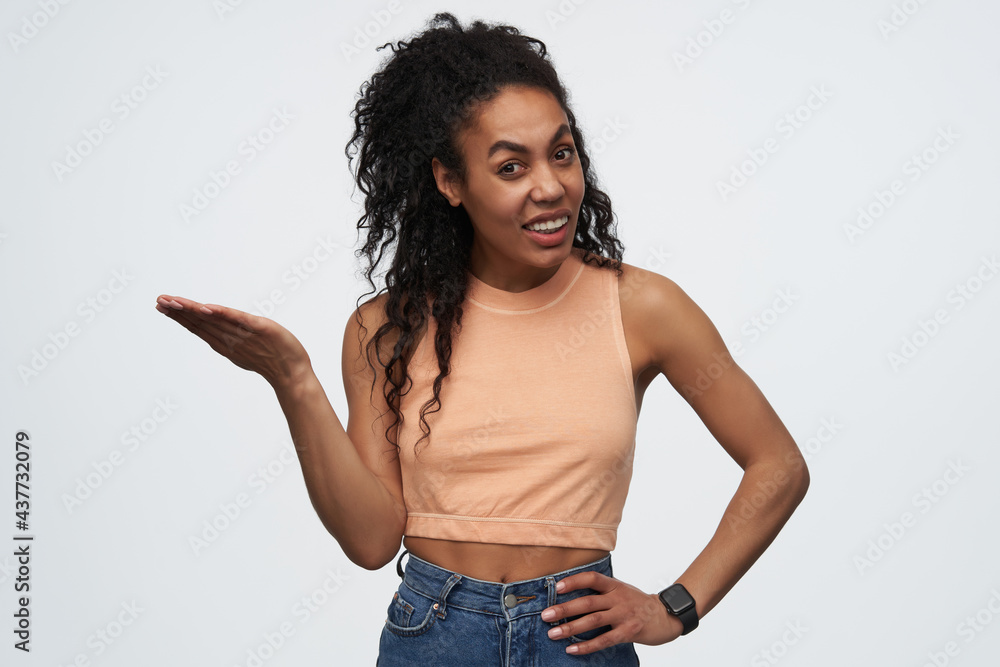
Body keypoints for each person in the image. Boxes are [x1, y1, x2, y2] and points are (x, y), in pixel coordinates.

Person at [155, 12, 809, 665]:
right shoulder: (385, 328)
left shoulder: (641, 306)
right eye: (510, 167)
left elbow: (778, 464)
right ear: (449, 181)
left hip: (577, 640)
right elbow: (372, 540)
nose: (550, 187)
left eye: (562, 152)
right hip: (435, 631)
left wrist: (674, 606)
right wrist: (290, 375)